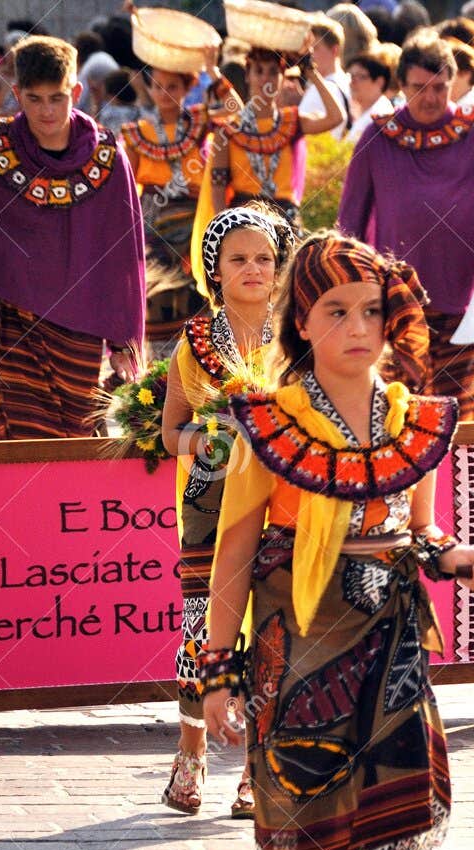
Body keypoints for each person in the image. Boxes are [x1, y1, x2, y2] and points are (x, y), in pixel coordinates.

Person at [202, 231, 474, 850]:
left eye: (370, 310)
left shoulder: (412, 423)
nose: (357, 327)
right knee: (310, 826)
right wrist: (216, 675)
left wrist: (461, 557)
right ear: (300, 323)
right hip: (297, 648)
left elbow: (420, 533)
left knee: (402, 820)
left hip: (393, 649)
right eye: (335, 311)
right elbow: (232, 555)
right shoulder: (266, 426)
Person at [0, 36, 145, 438]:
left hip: (81, 330)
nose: (47, 111)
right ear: (16, 94)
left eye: (57, 98)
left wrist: (123, 347)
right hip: (9, 324)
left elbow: (123, 257)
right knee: (22, 440)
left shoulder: (107, 156)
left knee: (75, 442)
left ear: (75, 91)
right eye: (34, 99)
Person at [157, 206, 286, 818]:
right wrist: (208, 439)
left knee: (272, 629)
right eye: (238, 259)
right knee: (202, 621)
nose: (253, 269)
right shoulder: (196, 341)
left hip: (284, 494)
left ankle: (256, 769)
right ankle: (191, 752)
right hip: (212, 496)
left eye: (264, 258)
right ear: (215, 270)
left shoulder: (301, 335)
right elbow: (169, 435)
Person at [338, 30, 474, 422]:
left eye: (440, 87)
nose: (431, 97)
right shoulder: (376, 137)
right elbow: (349, 224)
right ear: (401, 85)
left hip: (462, 308)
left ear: (452, 83)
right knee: (398, 419)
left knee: (460, 422)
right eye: (420, 87)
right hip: (395, 307)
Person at [122, 62, 230, 349]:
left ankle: (198, 357)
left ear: (188, 88)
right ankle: (157, 377)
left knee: (196, 288)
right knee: (156, 294)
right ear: (148, 88)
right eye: (158, 86)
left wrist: (213, 70)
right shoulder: (137, 133)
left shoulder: (200, 121)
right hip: (153, 219)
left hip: (195, 220)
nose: (164, 93)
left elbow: (235, 111)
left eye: (172, 87)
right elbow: (127, 185)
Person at [198, 40, 346, 233]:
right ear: (248, 76)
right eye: (258, 71)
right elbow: (217, 191)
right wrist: (225, 232)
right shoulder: (227, 130)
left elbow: (336, 117)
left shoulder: (292, 121)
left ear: (283, 77)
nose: (265, 79)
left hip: (286, 221)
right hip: (243, 221)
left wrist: (310, 71)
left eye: (273, 72)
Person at [343, 51, 397, 143]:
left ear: (379, 82)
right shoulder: (366, 112)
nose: (353, 82)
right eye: (351, 76)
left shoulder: (381, 116)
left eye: (361, 77)